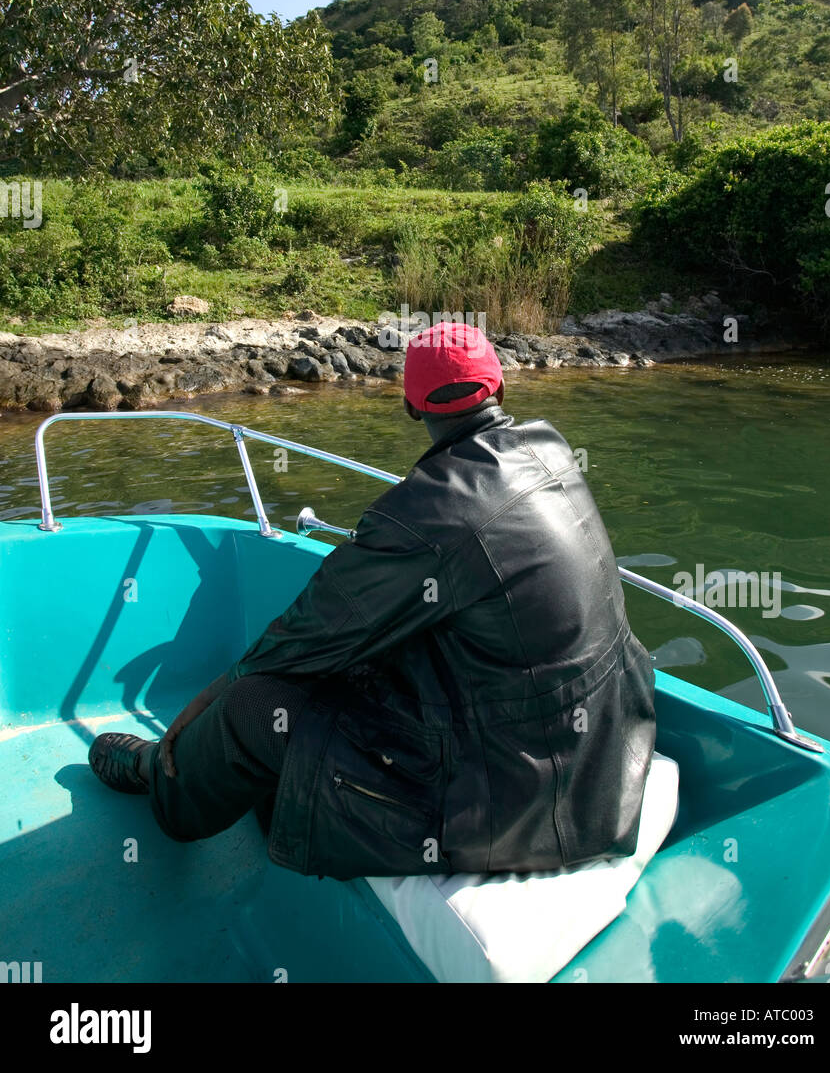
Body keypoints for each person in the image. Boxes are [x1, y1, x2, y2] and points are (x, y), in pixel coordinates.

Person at [89, 321, 656, 880]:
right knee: (350, 666)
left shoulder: (424, 512)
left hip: (514, 801)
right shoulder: (551, 448)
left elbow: (311, 627)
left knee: (254, 705)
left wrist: (208, 699)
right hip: (603, 756)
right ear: (501, 389)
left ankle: (160, 784)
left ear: (412, 409)